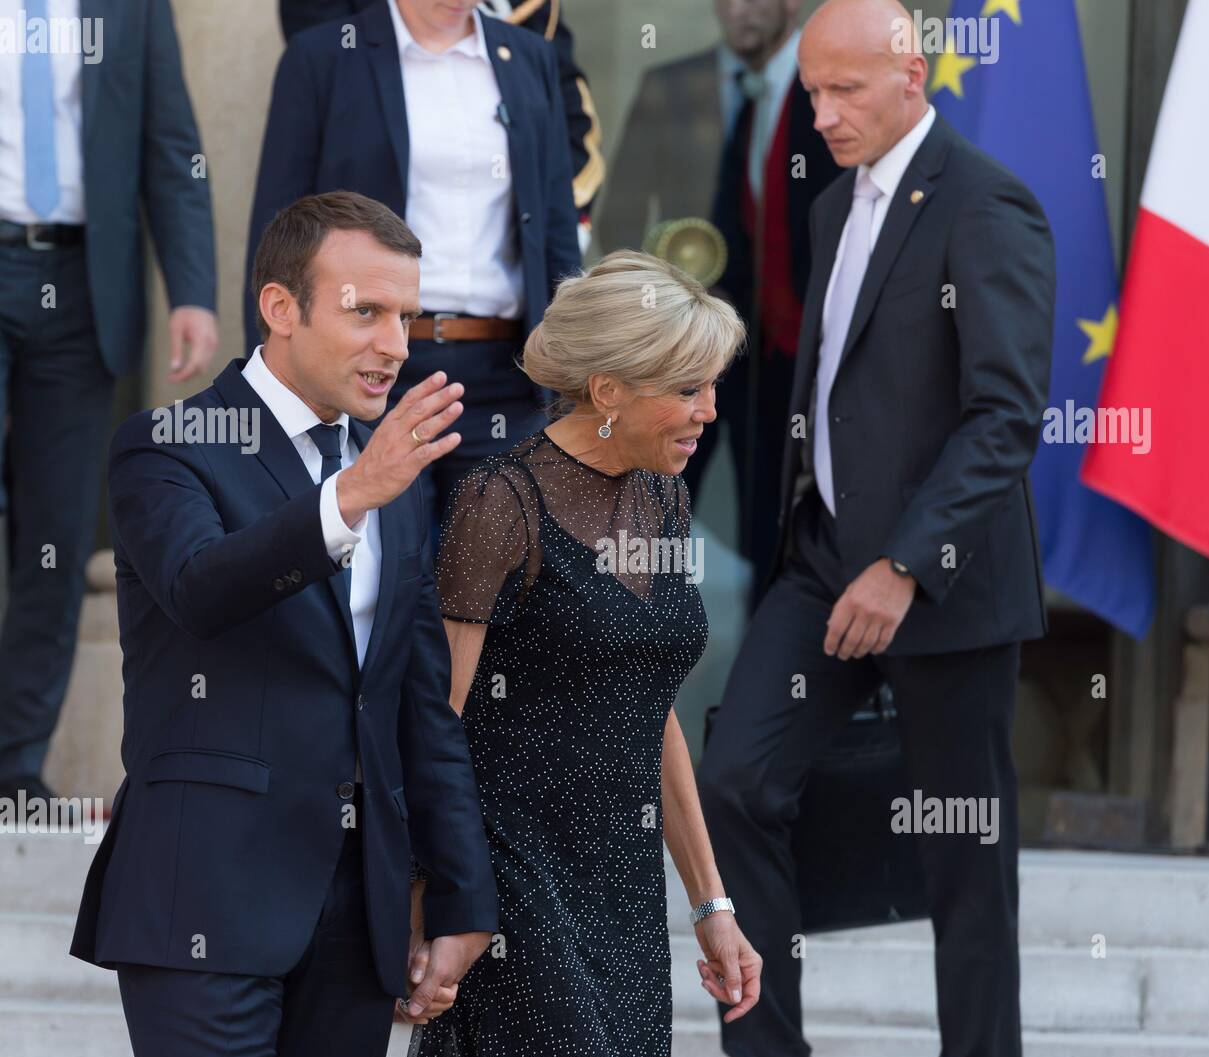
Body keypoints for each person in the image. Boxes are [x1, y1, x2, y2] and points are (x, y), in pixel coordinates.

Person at [697, 0, 1055, 1057]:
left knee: (963, 869)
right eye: (811, 91)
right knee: (734, 781)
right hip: (822, 568)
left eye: (845, 91)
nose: (822, 112)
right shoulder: (823, 205)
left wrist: (903, 563)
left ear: (912, 72)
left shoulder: (987, 202)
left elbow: (1004, 416)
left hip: (940, 589)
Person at [70, 191, 498, 1057]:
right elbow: (201, 587)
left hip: (359, 915)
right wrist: (349, 498)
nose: (395, 343)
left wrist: (462, 895)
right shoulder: (170, 444)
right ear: (280, 308)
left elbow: (420, 701)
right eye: (365, 311)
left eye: (407, 317)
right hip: (204, 899)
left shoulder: (398, 479)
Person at [397, 252, 761, 1057]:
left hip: (622, 884)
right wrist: (426, 902)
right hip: (513, 866)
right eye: (688, 391)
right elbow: (435, 719)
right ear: (607, 391)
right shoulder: (500, 503)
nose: (710, 412)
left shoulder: (662, 502)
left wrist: (711, 901)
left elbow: (649, 709)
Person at [0, 0, 217, 806]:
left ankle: (14, 766)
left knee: (54, 540)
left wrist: (191, 291)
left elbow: (171, 145)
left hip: (79, 285)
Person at [247, 0, 581, 521]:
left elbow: (556, 225)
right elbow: (278, 230)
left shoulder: (529, 56)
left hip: (506, 376)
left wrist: (568, 374)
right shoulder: (326, 55)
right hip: (368, 367)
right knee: (383, 580)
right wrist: (277, 384)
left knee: (496, 585)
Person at [599, 0, 838, 609]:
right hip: (679, 353)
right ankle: (627, 664)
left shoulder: (827, 99)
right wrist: (654, 310)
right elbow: (619, 219)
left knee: (774, 524)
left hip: (786, 357)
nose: (736, 9)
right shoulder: (669, 86)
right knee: (648, 515)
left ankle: (765, 686)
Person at [276, 0, 605, 238]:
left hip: (504, 320)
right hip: (368, 309)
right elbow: (283, 218)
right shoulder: (330, 49)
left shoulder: (526, 49)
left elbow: (566, 121)